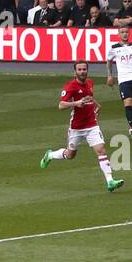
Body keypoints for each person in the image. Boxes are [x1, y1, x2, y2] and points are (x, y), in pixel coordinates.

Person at [38, 61, 124, 192]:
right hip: (76, 128)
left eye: (84, 69)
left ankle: (110, 181)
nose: (82, 71)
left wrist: (96, 104)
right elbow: (61, 105)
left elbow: (88, 97)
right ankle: (50, 155)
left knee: (101, 150)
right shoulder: (71, 86)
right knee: (70, 155)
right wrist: (76, 103)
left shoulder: (90, 82)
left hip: (92, 125)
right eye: (79, 69)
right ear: (75, 71)